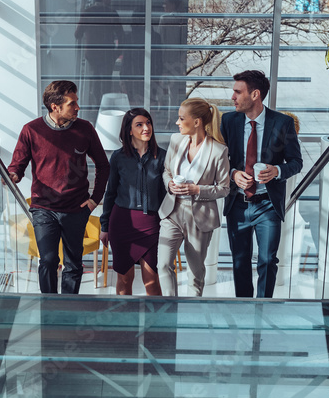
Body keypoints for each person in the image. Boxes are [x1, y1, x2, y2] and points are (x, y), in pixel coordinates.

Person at [7, 80, 109, 294]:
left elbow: (103, 165)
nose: (77, 108)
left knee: (73, 265)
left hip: (76, 209)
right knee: (48, 260)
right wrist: (13, 175)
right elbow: (17, 165)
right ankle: (48, 306)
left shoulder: (85, 129)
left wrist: (94, 200)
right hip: (44, 209)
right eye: (72, 104)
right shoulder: (31, 130)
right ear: (55, 107)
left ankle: (69, 308)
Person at [221, 70, 302, 298]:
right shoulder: (228, 121)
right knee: (240, 261)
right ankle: (244, 307)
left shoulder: (282, 123)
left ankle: (263, 308)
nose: (233, 97)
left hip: (267, 205)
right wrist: (233, 173)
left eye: (238, 92)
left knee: (267, 260)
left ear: (255, 94)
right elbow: (219, 161)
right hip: (237, 203)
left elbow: (296, 162)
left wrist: (277, 171)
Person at [157, 98, 230, 296]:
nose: (177, 123)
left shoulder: (218, 151)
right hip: (172, 211)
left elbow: (224, 189)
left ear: (197, 122)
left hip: (199, 217)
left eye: (181, 118)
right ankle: (170, 310)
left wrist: (197, 190)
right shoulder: (176, 140)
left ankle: (192, 311)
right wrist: (169, 184)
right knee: (163, 265)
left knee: (196, 273)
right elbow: (166, 171)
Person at [99, 108, 166, 295]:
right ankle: (124, 320)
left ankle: (157, 322)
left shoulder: (162, 157)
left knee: (151, 279)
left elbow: (166, 194)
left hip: (152, 223)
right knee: (124, 278)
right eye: (140, 124)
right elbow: (110, 193)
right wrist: (105, 227)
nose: (146, 128)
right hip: (122, 223)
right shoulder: (118, 157)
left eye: (148, 123)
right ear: (129, 130)